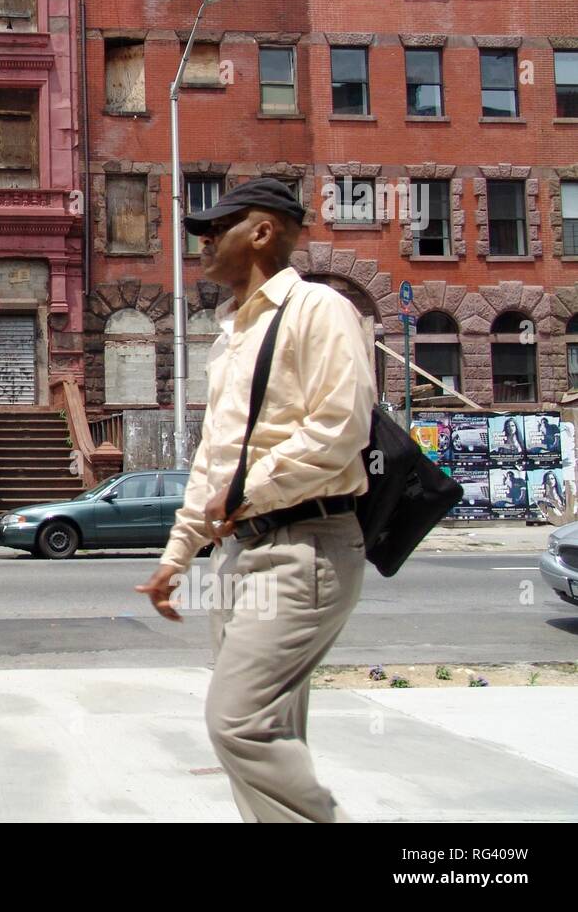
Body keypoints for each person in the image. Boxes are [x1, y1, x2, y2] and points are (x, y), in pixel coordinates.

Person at [136, 178, 376, 824]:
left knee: (236, 722)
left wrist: (248, 489)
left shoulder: (318, 311)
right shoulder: (231, 337)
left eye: (220, 225)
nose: (205, 240)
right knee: (267, 733)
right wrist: (178, 554)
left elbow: (341, 428)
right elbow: (214, 463)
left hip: (306, 547)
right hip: (242, 557)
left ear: (263, 233)